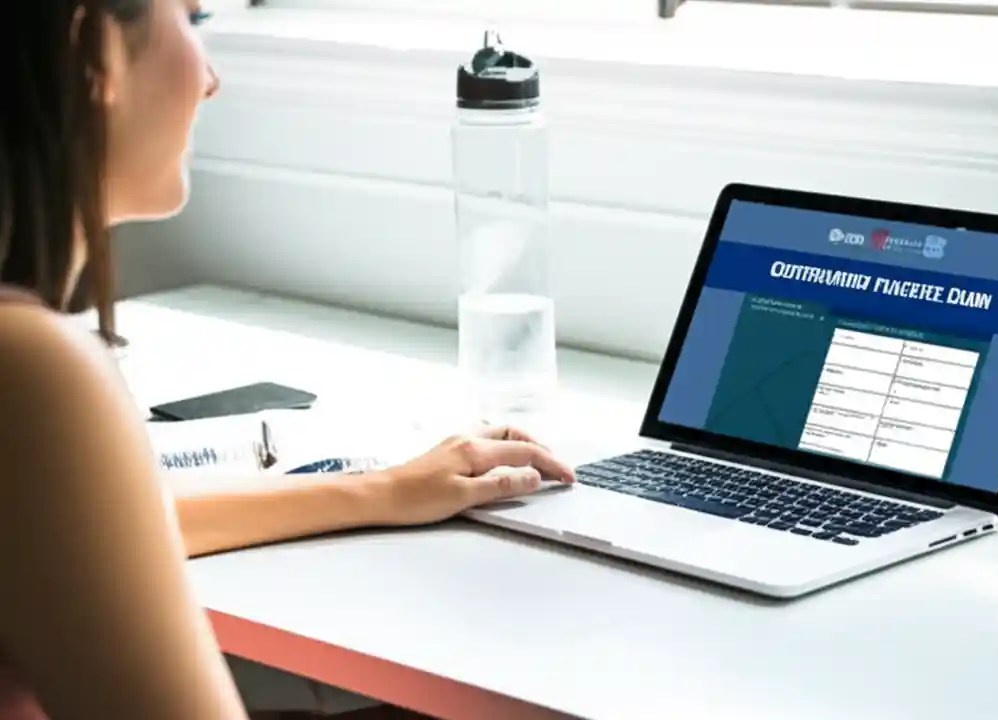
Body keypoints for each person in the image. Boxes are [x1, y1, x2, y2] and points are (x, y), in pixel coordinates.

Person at [0, 1, 576, 719]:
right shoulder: (34, 372)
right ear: (96, 54)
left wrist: (381, 490)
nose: (210, 78)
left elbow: (101, 533)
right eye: (193, 19)